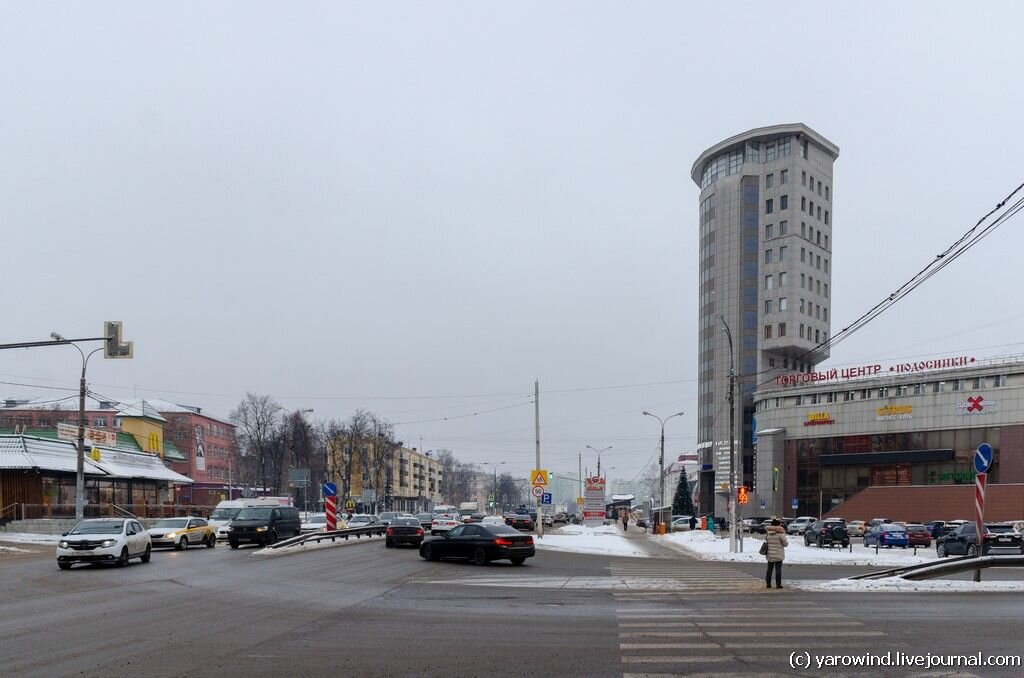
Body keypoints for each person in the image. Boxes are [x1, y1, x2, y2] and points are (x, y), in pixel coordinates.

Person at [764, 517, 789, 589]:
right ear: (778, 525)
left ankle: (768, 584)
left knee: (769, 569)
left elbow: (766, 541)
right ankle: (778, 585)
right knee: (778, 569)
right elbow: (785, 544)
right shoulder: (781, 534)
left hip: (770, 554)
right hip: (778, 554)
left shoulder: (768, 534)